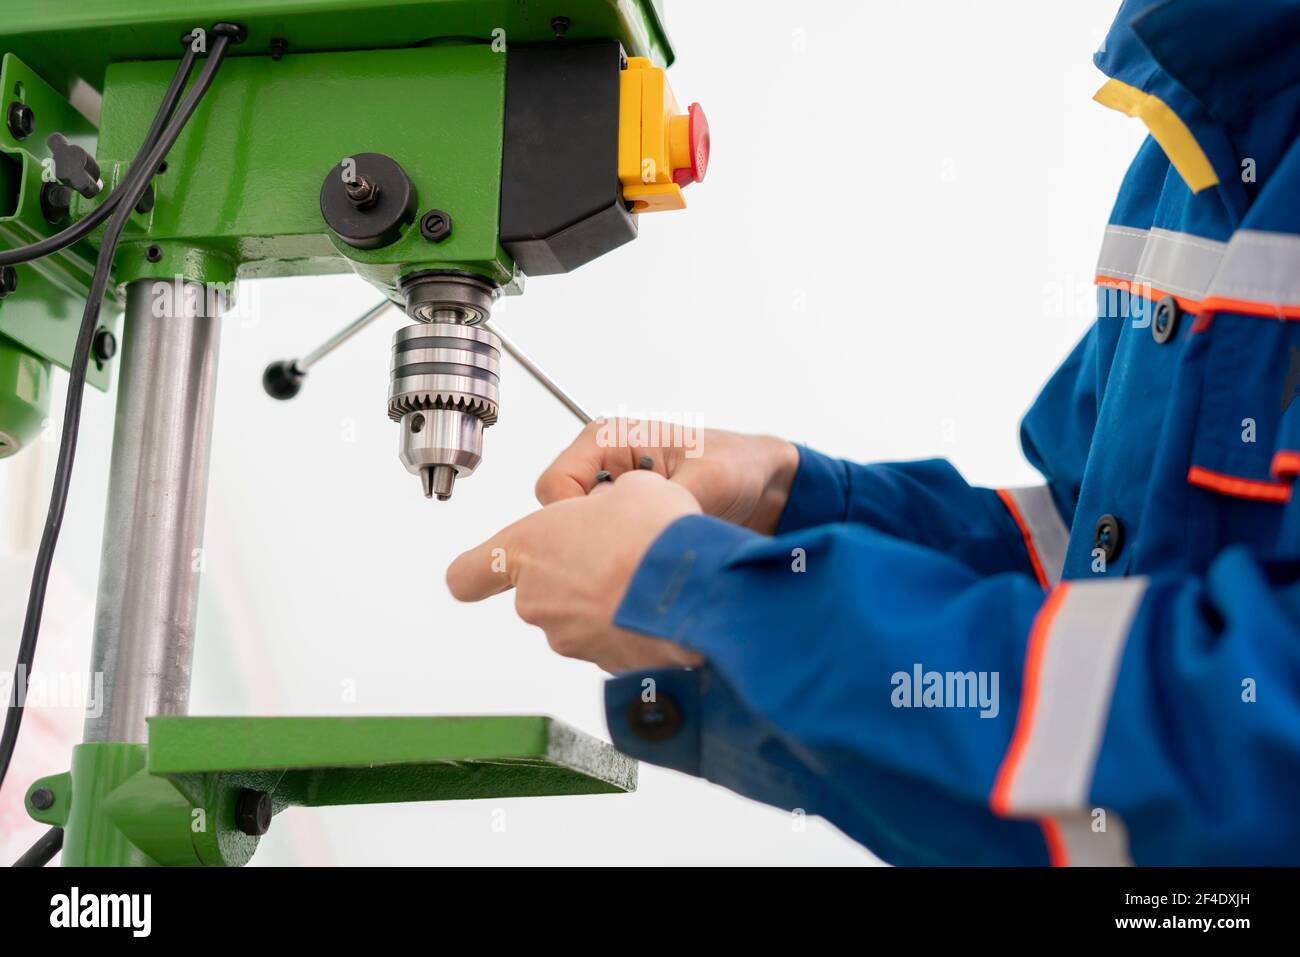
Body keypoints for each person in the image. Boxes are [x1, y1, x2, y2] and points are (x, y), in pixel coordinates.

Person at [446, 0, 1300, 865]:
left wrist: (709, 595)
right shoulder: (1195, 118)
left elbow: (1254, 756)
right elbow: (1095, 556)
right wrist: (790, 505)